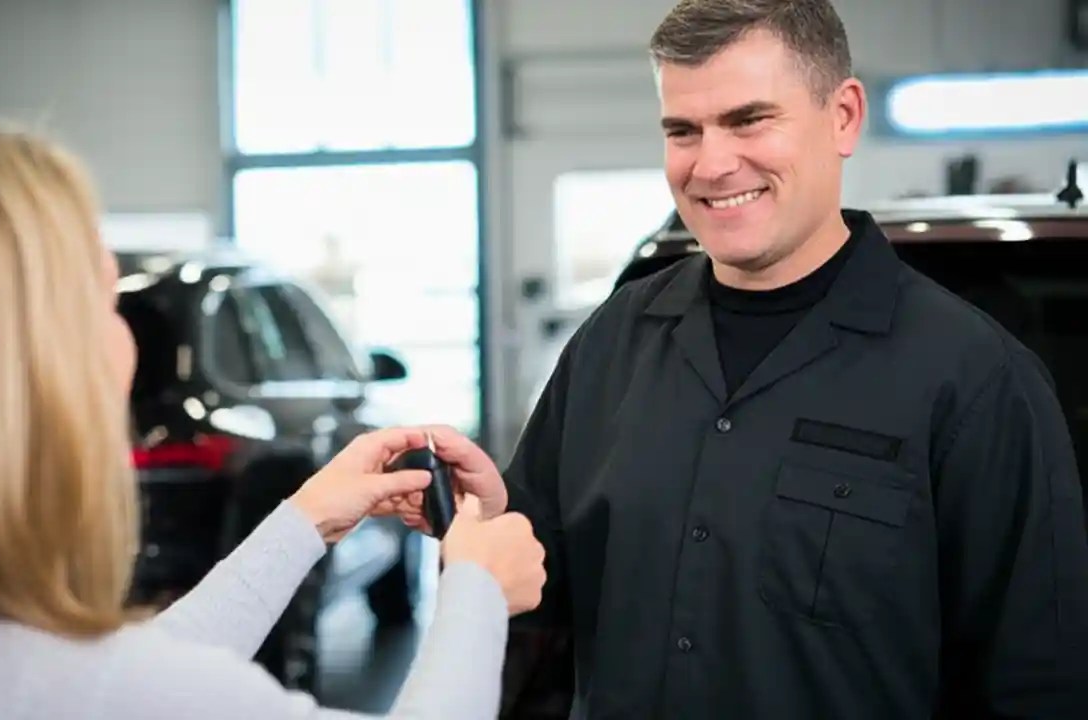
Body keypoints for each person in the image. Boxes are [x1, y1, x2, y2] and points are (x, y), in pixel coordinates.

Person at [427, 1, 1088, 718]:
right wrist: (488, 525)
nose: (711, 164)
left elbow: (1035, 684)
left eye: (749, 120)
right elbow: (535, 605)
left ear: (843, 117)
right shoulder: (612, 342)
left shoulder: (976, 380)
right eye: (684, 131)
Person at [0, 117, 547, 720]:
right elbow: (130, 689)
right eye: (103, 303)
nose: (125, 337)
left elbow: (140, 679)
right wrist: (477, 594)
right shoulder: (57, 681)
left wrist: (305, 520)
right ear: (24, 368)